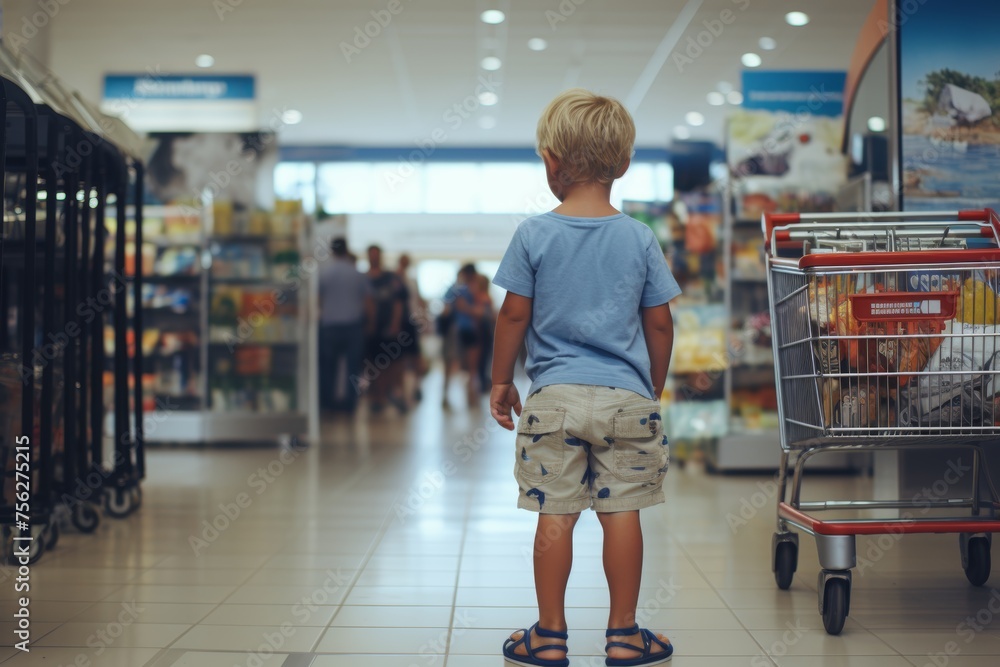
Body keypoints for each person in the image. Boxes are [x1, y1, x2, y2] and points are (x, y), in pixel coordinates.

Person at [490, 89, 680, 667]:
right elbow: (661, 324)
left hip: (553, 401)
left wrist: (501, 381)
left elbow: (514, 315)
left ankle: (548, 635)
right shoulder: (640, 237)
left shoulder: (533, 234)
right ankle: (623, 635)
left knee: (557, 511)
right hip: (627, 399)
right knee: (624, 510)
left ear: (550, 162)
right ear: (622, 165)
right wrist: (652, 386)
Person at [317, 237, 371, 414]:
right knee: (352, 368)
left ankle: (327, 403)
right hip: (353, 326)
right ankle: (350, 405)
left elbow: (319, 300)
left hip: (330, 326)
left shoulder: (325, 273)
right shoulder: (356, 273)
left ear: (332, 250)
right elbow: (367, 300)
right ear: (347, 250)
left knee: (328, 367)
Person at [365, 245, 408, 413]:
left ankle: (386, 393)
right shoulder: (364, 278)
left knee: (390, 363)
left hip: (388, 328)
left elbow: (399, 302)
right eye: (371, 255)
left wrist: (395, 324)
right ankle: (376, 395)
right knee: (371, 363)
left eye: (376, 255)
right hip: (370, 329)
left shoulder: (391, 278)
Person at [440, 263, 478, 409]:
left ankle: (465, 395)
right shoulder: (465, 290)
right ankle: (469, 396)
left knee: (453, 365)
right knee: (466, 365)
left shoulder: (459, 289)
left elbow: (446, 310)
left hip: (460, 330)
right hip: (462, 330)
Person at [397, 253, 428, 403]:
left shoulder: (411, 280)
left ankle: (416, 387)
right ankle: (401, 391)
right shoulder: (395, 279)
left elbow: (419, 299)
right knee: (401, 359)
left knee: (415, 357)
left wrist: (424, 319)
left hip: (412, 322)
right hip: (401, 322)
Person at [472, 273, 495, 395]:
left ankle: (483, 382)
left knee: (483, 359)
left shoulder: (484, 298)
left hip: (484, 331)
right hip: (482, 330)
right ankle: (483, 382)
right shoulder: (483, 297)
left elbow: (484, 314)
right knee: (482, 359)